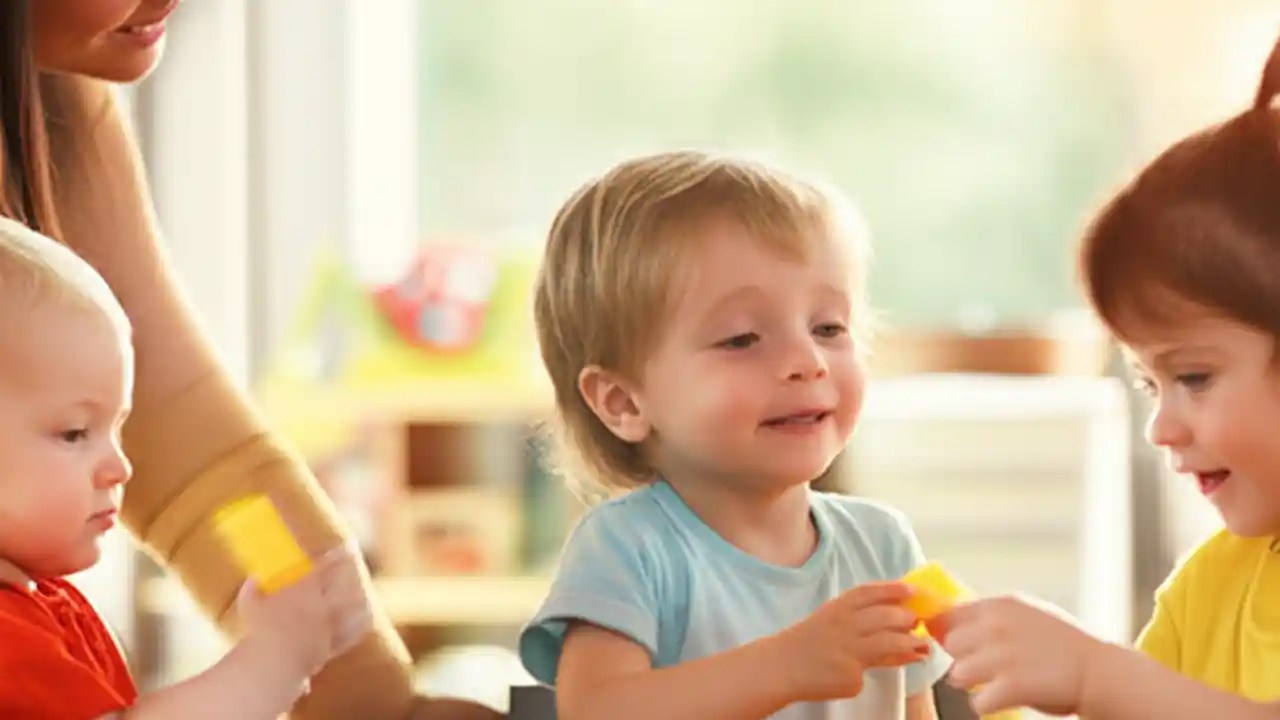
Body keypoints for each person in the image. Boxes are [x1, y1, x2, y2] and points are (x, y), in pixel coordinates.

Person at [5, 2, 498, 717]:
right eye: (77, 435)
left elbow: (210, 485)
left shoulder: (55, 100)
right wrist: (272, 665)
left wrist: (373, 702)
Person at [519, 150, 950, 719]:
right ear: (623, 401)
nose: (807, 360)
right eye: (742, 338)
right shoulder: (629, 549)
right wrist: (786, 666)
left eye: (829, 327)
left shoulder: (883, 543)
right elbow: (596, 711)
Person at [936, 33, 1280, 719]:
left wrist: (1098, 677)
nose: (1161, 426)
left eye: (1194, 376)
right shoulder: (1208, 589)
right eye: (1151, 385)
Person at [0, 218, 375, 717]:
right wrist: (271, 663)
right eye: (74, 433)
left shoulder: (39, 604)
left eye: (117, 428)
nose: (120, 466)